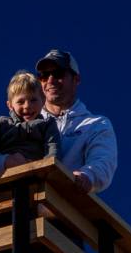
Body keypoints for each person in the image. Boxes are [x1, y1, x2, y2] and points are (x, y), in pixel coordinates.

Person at [35, 50, 117, 195]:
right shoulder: (27, 120)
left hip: (64, 209)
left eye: (58, 73)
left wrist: (86, 176)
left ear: (76, 79)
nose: (50, 80)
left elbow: (103, 162)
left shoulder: (96, 125)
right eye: (44, 75)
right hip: (22, 206)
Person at [0, 70, 59, 178]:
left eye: (33, 100)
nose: (27, 106)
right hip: (5, 177)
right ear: (10, 105)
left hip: (34, 176)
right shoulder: (2, 124)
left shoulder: (46, 124)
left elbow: (52, 149)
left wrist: (45, 168)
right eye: (20, 102)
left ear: (43, 100)